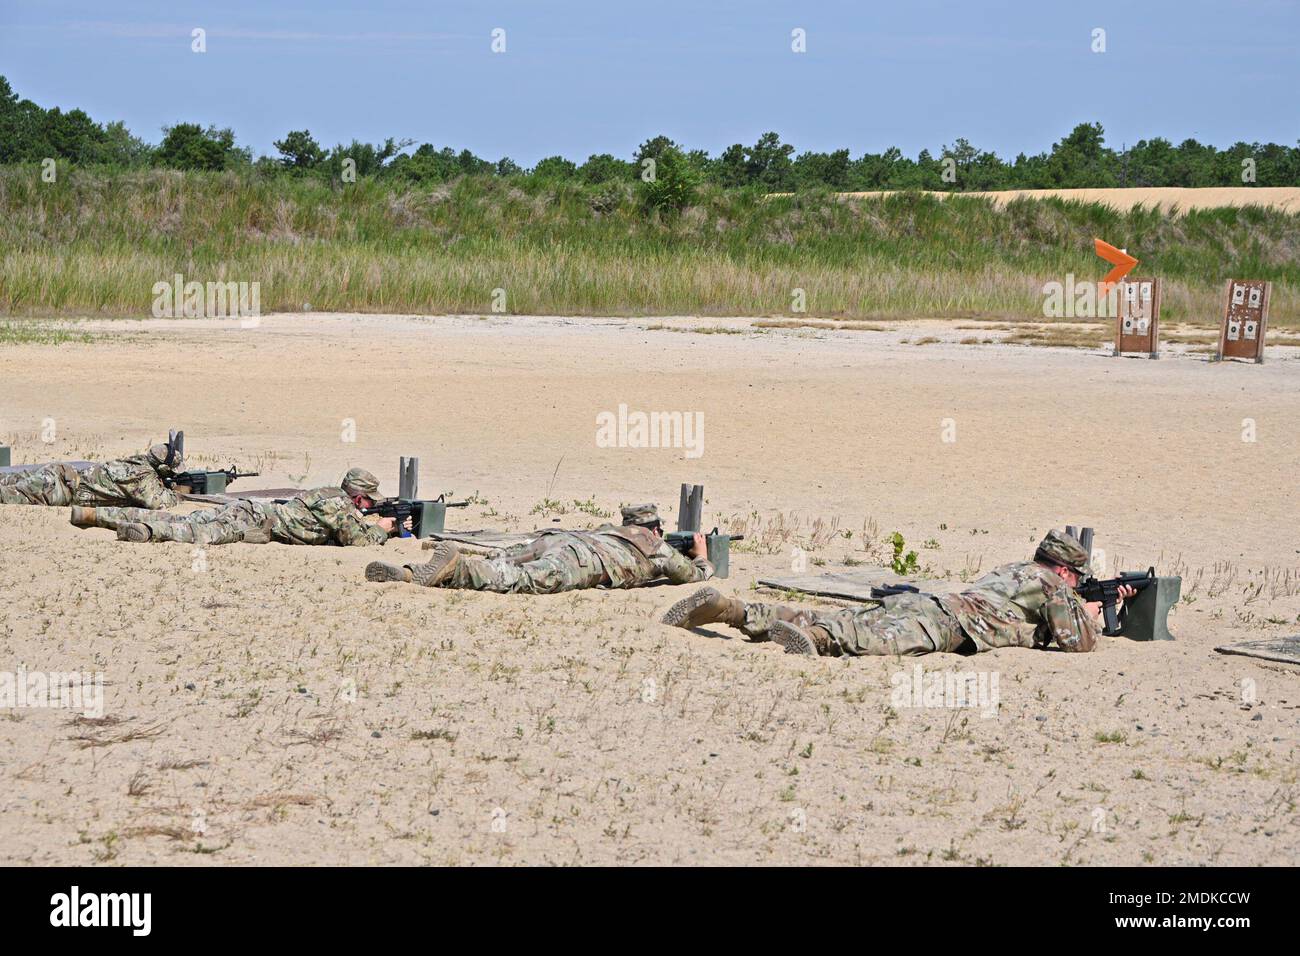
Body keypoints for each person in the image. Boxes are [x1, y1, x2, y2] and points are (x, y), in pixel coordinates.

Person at [661, 529, 1136, 657]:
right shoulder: (1055, 586)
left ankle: (741, 611)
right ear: (1067, 571)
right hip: (947, 624)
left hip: (932, 603)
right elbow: (1078, 643)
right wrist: (1092, 613)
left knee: (840, 616)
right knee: (860, 637)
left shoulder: (1013, 570)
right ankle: (816, 643)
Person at [365, 503, 712, 593]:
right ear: (655, 528)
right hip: (582, 560)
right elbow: (693, 577)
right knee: (517, 580)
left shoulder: (612, 529)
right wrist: (702, 556)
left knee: (504, 557)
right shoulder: (654, 544)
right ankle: (458, 568)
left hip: (561, 540)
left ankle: (412, 574)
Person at [70, 467, 408, 546]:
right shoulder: (338, 504)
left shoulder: (327, 493)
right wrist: (383, 530)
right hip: (255, 522)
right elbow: (357, 541)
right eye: (366, 500)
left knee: (181, 516)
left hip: (253, 511)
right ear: (358, 496)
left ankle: (97, 515)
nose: (367, 506)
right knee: (195, 531)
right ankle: (145, 531)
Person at [0, 439, 183, 509]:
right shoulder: (142, 477)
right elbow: (157, 503)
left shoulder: (139, 462)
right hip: (58, 488)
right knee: (6, 495)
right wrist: (176, 494)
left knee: (8, 480)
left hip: (61, 475)